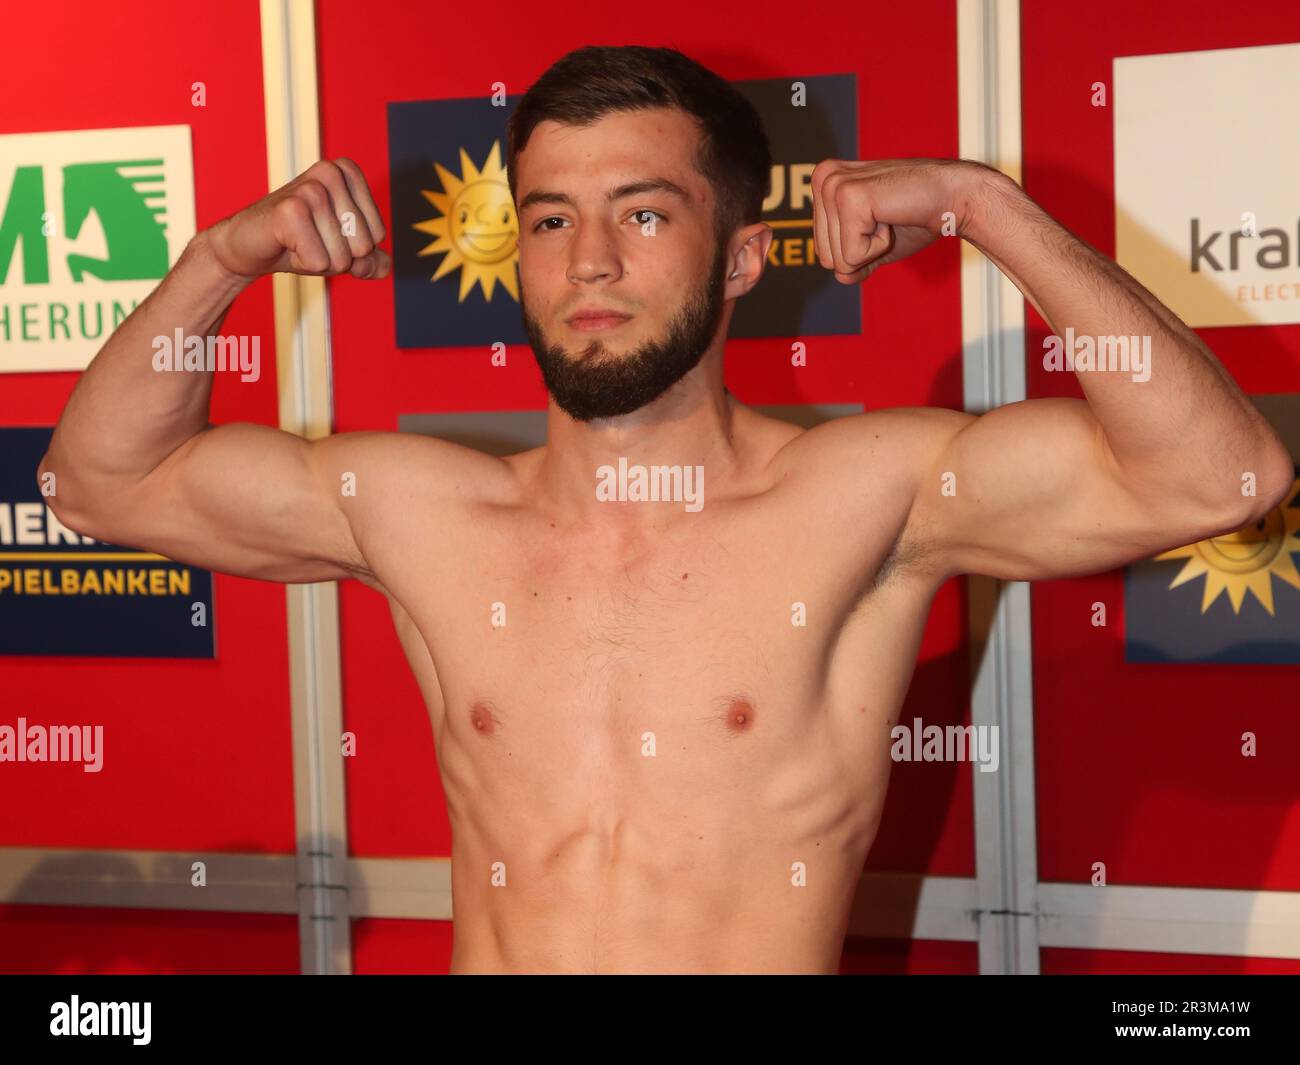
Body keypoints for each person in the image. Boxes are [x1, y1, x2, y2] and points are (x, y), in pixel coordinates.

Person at [40, 45, 1292, 974]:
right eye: (550, 220)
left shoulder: (870, 499)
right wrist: (217, 263)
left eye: (642, 214)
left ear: (742, 256)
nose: (590, 261)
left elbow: (1222, 477)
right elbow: (94, 482)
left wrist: (988, 207)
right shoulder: (417, 508)